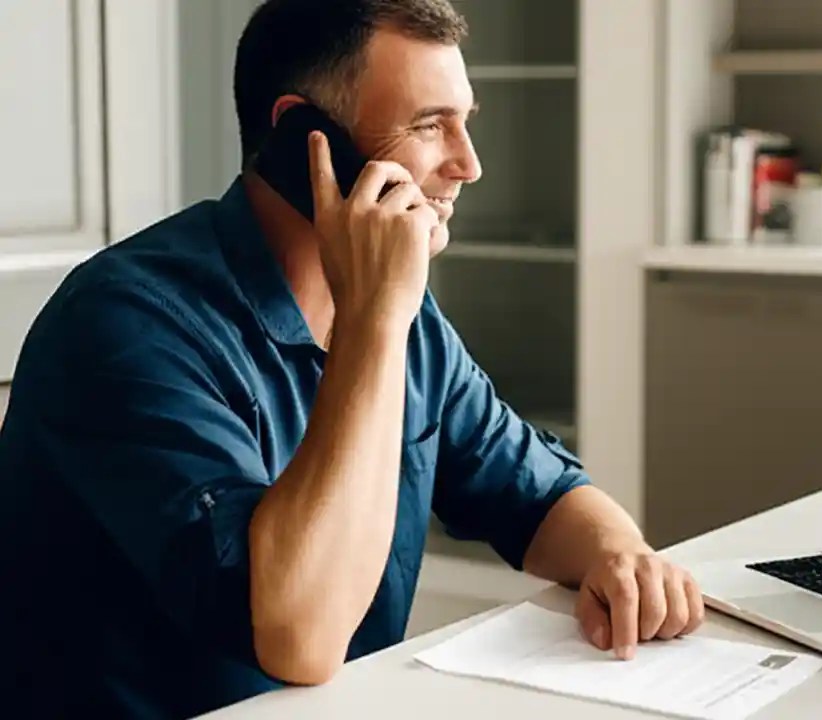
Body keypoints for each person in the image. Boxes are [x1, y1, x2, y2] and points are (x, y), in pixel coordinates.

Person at [0, 1, 704, 717]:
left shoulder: (402, 316)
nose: (468, 165)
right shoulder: (123, 327)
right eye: (428, 125)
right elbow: (298, 638)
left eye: (465, 121)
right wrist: (374, 323)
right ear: (303, 137)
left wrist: (620, 554)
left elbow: (535, 492)